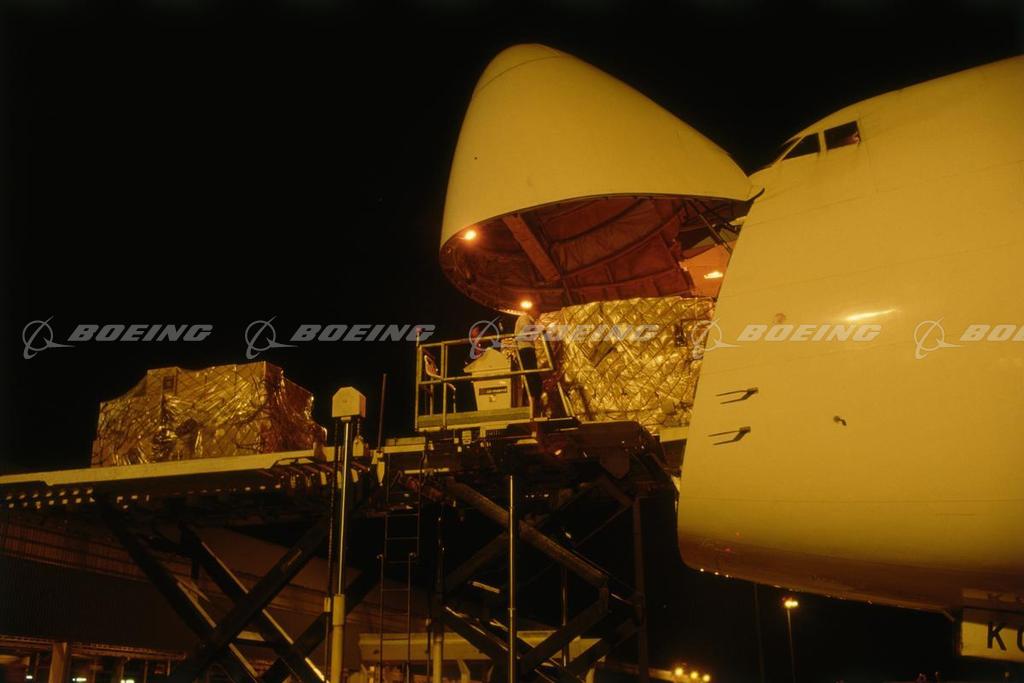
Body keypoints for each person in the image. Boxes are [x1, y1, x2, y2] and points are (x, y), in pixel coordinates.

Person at [514, 310, 542, 414]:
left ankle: (533, 399)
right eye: (538, 312)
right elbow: (527, 332)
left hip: (528, 349)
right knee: (531, 376)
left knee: (534, 377)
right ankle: (531, 400)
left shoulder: (530, 320)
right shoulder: (524, 318)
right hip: (525, 349)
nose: (539, 315)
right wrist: (540, 330)